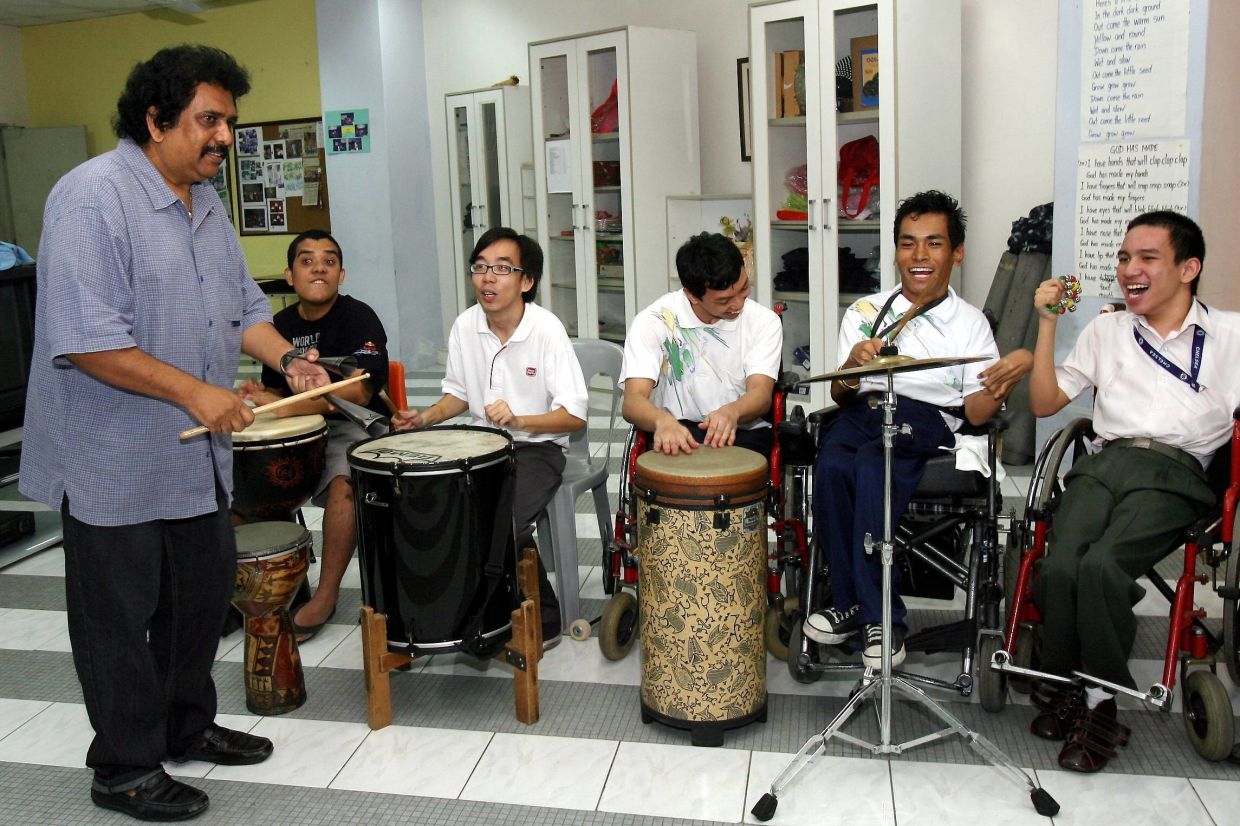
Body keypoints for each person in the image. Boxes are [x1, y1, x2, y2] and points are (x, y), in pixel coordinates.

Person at [17, 46, 328, 822]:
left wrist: (289, 359)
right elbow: (88, 341)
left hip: (195, 459)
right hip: (110, 459)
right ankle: (123, 765)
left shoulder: (204, 200)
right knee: (119, 619)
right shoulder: (92, 200)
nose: (224, 137)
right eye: (209, 120)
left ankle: (187, 725)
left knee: (196, 601)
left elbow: (245, 309)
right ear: (156, 121)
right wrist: (198, 392)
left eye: (229, 120)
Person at [1027, 210, 1240, 772]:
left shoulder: (1231, 336)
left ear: (1188, 268)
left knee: (1103, 568)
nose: (1129, 269)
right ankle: (1070, 682)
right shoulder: (1107, 329)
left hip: (1175, 473)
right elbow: (1045, 403)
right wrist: (1047, 324)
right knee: (1060, 566)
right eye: (1124, 258)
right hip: (1105, 462)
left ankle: (1100, 703)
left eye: (1147, 258)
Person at [802, 190, 1032, 668]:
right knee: (832, 464)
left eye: (934, 244)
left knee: (870, 463)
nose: (919, 256)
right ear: (895, 252)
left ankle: (883, 618)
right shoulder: (865, 312)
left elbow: (976, 409)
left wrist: (1003, 382)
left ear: (957, 252)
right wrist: (850, 364)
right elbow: (841, 394)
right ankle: (847, 600)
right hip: (863, 410)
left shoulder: (970, 325)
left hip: (926, 420)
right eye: (908, 244)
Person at [391, 227, 587, 648]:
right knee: (446, 515)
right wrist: (424, 418)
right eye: (480, 268)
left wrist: (519, 419)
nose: (488, 278)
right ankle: (473, 611)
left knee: (503, 523)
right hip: (482, 446)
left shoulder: (546, 330)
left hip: (538, 448)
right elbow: (459, 394)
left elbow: (573, 416)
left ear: (526, 281)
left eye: (502, 269)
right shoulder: (466, 326)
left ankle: (544, 616)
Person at [238, 229, 388, 642]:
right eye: (306, 260)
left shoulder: (359, 317)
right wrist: (262, 396)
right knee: (250, 479)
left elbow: (359, 392)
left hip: (353, 426)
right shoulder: (278, 326)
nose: (318, 267)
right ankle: (273, 582)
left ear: (341, 274)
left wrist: (291, 404)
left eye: (329, 260)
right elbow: (280, 392)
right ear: (289, 275)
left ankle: (325, 595)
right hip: (302, 430)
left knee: (346, 485)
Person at [620, 232, 782, 456]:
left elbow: (761, 394)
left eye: (744, 289)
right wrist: (661, 422)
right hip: (675, 429)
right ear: (692, 295)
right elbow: (632, 400)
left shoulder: (764, 322)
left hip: (742, 430)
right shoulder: (654, 321)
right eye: (724, 300)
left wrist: (732, 412)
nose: (738, 304)